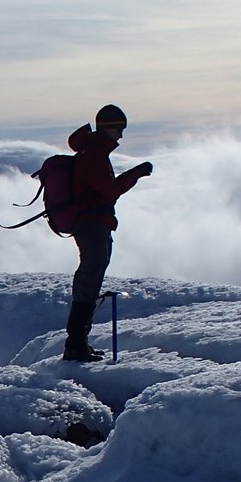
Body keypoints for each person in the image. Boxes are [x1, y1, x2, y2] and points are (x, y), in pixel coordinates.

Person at [62, 104, 154, 361]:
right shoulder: (94, 155)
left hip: (92, 224)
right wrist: (136, 174)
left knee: (89, 279)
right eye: (119, 130)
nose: (121, 136)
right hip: (92, 225)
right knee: (90, 279)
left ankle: (79, 344)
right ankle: (75, 347)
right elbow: (108, 190)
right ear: (108, 128)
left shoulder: (93, 152)